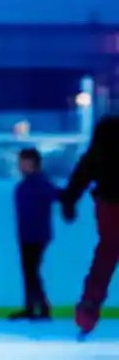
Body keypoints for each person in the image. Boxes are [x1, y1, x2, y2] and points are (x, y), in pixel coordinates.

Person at [61, 115, 119, 337]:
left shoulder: (103, 140)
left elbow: (84, 171)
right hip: (109, 204)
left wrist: (70, 199)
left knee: (105, 257)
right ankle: (88, 309)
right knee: (105, 256)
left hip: (109, 205)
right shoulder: (105, 138)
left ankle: (88, 310)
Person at [11, 147, 59, 321]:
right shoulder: (24, 185)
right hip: (26, 235)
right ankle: (32, 307)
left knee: (31, 272)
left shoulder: (40, 182)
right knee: (29, 271)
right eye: (20, 162)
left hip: (36, 236)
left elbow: (56, 195)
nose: (21, 166)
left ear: (34, 164)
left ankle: (41, 307)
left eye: (25, 162)